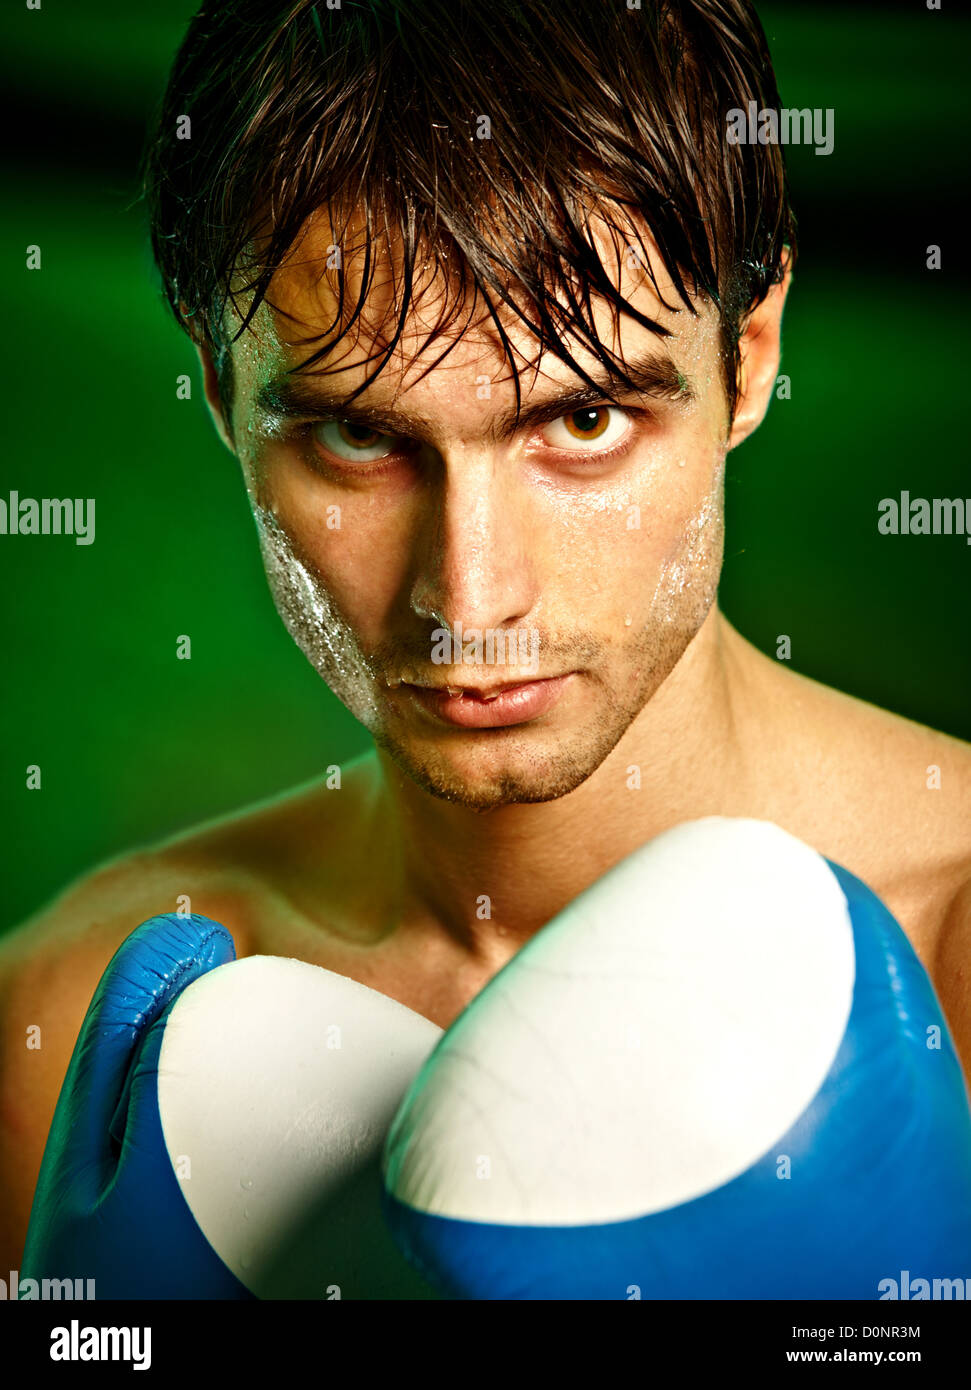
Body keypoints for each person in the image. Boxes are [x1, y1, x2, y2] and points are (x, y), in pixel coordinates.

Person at [1, 0, 969, 1278]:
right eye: (359, 436)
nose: (472, 598)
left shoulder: (947, 955)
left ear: (748, 354)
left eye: (581, 426)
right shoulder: (77, 1046)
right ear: (218, 391)